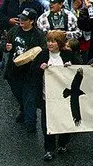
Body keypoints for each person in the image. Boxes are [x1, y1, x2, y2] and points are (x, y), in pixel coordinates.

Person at [36, 29, 81, 161]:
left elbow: (80, 68)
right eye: (49, 41)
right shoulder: (43, 55)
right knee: (47, 123)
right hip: (47, 96)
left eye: (54, 41)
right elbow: (32, 72)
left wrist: (71, 66)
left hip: (65, 96)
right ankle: (49, 149)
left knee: (65, 120)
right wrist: (40, 68)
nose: (50, 44)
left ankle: (63, 143)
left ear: (60, 43)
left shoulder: (68, 55)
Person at [5, 8, 46, 133]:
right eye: (21, 18)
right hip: (14, 70)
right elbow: (3, 42)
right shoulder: (14, 30)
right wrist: (6, 47)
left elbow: (43, 51)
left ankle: (31, 123)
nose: (21, 21)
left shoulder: (38, 35)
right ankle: (23, 110)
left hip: (30, 72)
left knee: (30, 98)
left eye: (24, 19)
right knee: (18, 93)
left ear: (32, 21)